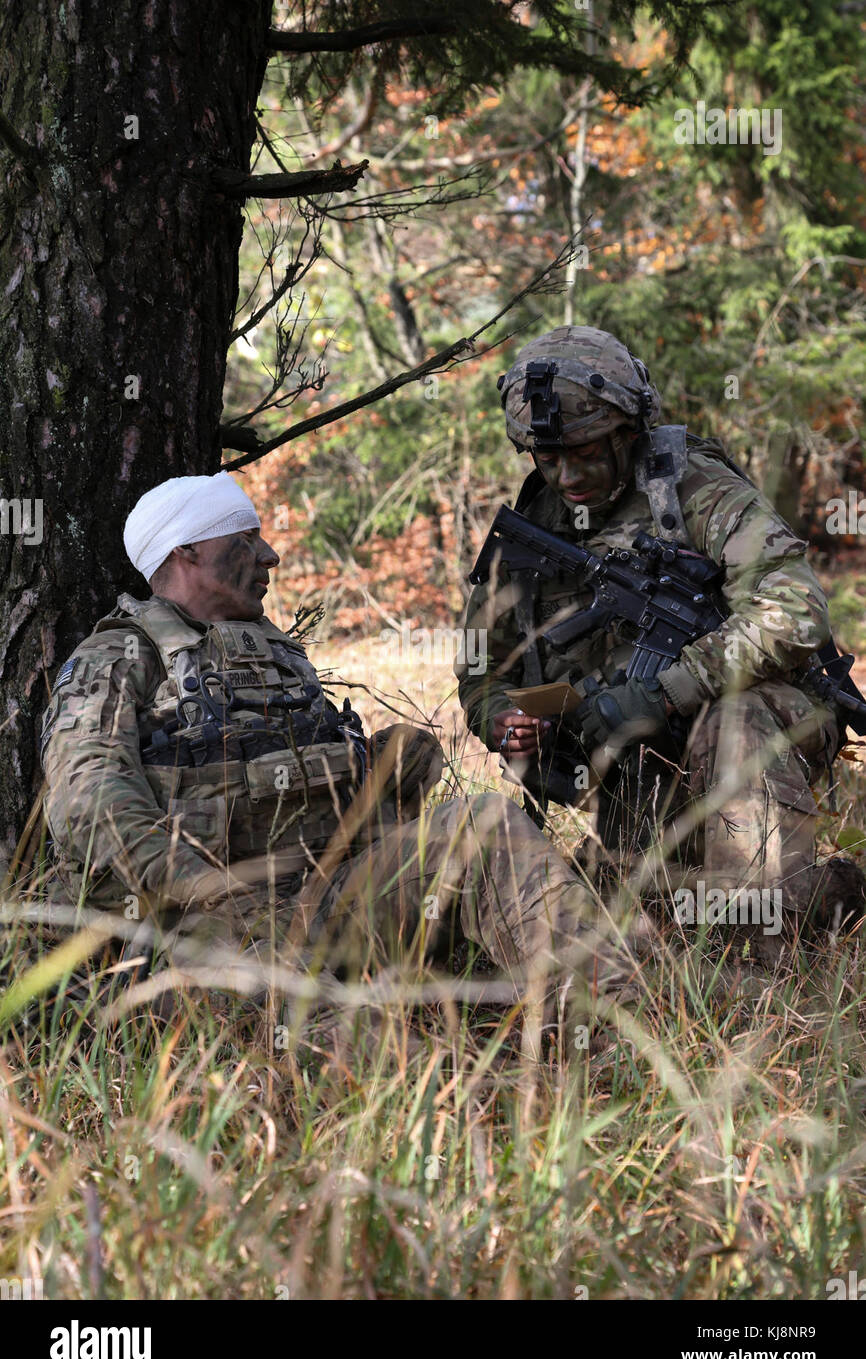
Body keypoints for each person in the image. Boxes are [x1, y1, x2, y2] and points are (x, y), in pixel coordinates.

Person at [39, 472, 640, 1040]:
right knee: (374, 1057)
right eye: (245, 540)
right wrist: (209, 894)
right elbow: (88, 807)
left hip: (321, 904)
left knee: (483, 826)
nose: (270, 555)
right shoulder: (115, 661)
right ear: (185, 553)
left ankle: (619, 1018)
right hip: (196, 932)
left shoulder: (277, 656)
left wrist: (381, 776)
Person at [456, 325, 866, 933]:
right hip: (629, 766)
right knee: (646, 912)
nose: (568, 477)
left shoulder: (694, 489)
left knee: (736, 740)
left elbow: (795, 611)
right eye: (549, 459)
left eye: (589, 451)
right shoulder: (536, 519)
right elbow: (479, 665)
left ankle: (788, 922)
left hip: (749, 727)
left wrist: (665, 690)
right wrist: (504, 721)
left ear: (629, 431)